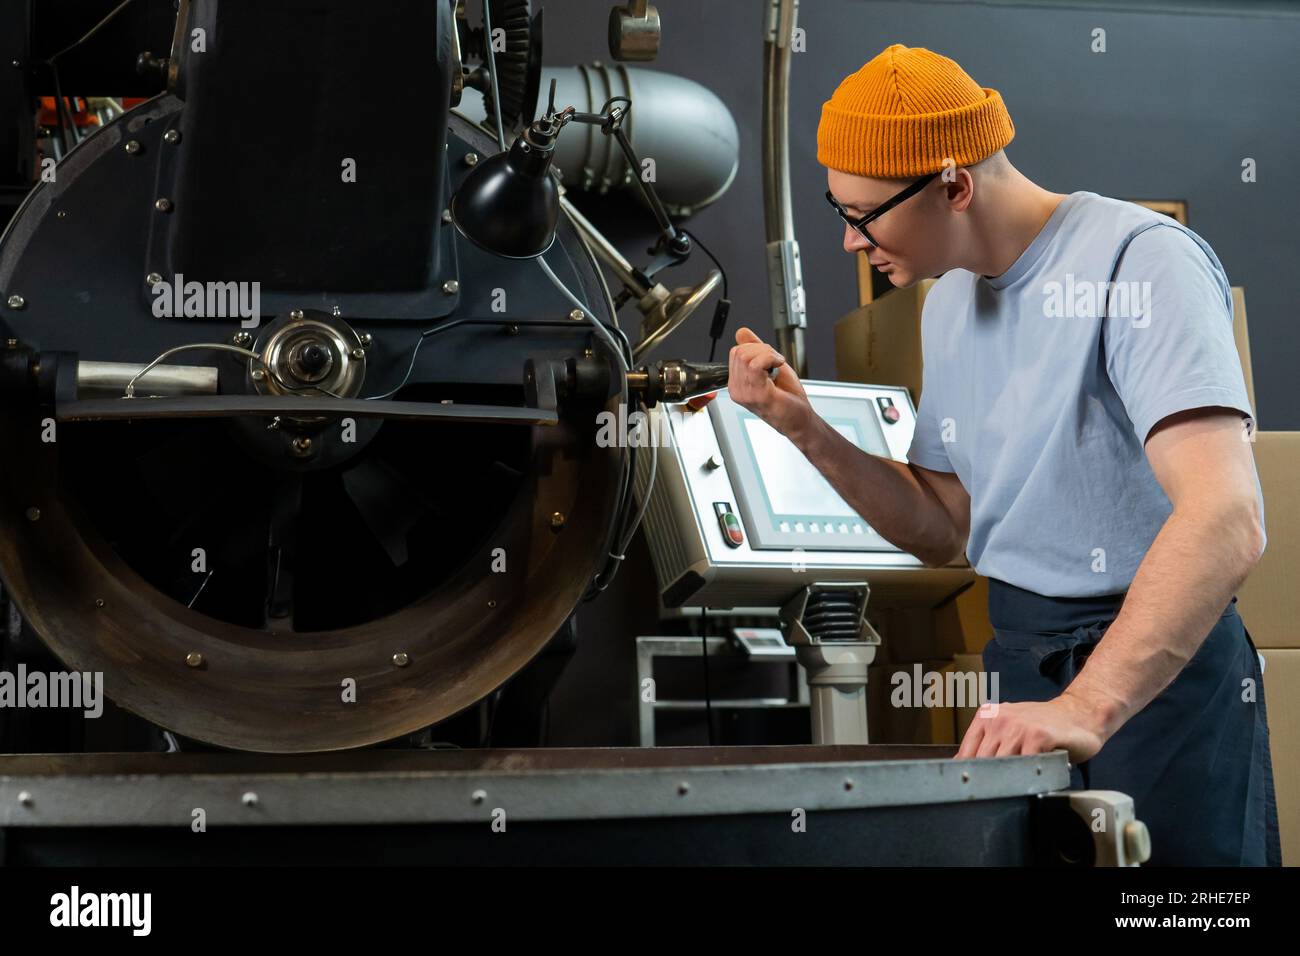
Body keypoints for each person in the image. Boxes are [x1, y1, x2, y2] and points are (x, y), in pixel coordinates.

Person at [727, 43, 1280, 866]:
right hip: (1023, 657)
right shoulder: (948, 303)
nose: (850, 242)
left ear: (953, 185)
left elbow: (1227, 517)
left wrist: (1089, 704)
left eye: (862, 215)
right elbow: (945, 527)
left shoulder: (1140, 263)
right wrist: (803, 428)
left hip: (1150, 674)